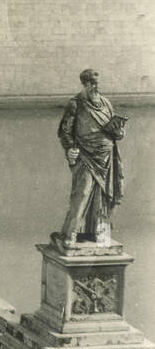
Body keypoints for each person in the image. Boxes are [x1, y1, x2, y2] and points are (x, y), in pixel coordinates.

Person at [56, 69, 126, 248]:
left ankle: (100, 234)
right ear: (84, 84)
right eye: (92, 84)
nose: (96, 87)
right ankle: (70, 235)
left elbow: (112, 129)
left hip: (106, 157)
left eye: (97, 84)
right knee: (82, 194)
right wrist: (70, 148)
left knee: (103, 197)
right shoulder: (75, 104)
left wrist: (119, 132)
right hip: (86, 156)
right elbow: (65, 131)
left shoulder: (106, 103)